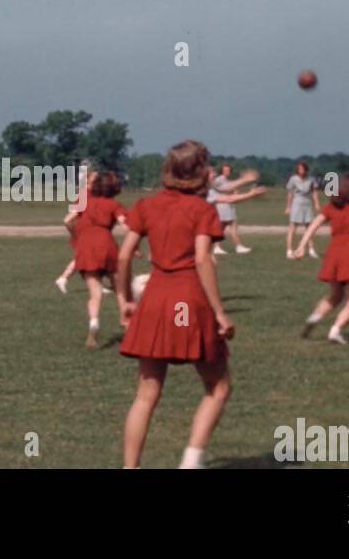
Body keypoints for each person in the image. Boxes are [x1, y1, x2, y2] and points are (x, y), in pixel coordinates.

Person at [116, 140, 234, 469]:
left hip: (154, 300)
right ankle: (191, 461)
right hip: (187, 304)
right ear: (201, 172)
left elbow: (124, 256)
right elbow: (202, 259)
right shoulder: (202, 210)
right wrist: (221, 312)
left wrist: (125, 300)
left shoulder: (146, 205)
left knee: (146, 393)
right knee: (217, 386)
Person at [295, 173, 349, 344]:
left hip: (334, 252)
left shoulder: (331, 207)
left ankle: (315, 317)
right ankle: (336, 330)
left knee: (334, 295)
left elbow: (314, 225)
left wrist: (301, 246)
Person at [69, 171, 127, 349]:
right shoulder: (114, 204)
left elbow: (68, 219)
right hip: (107, 245)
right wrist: (135, 246)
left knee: (95, 294)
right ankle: (127, 324)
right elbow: (125, 224)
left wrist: (76, 236)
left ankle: (94, 323)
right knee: (120, 290)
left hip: (87, 247)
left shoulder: (85, 202)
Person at [206, 164, 264, 254]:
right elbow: (227, 193)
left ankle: (220, 246)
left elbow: (227, 191)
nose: (214, 175)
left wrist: (246, 183)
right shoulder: (213, 185)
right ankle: (235, 246)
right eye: (211, 173)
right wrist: (249, 191)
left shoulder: (210, 189)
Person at [284, 162, 320, 259]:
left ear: (306, 170)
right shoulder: (293, 179)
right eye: (299, 169)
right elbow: (290, 193)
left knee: (309, 227)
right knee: (293, 227)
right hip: (297, 203)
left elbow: (314, 192)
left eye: (303, 169)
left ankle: (311, 250)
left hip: (307, 203)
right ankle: (289, 250)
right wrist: (288, 207)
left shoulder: (311, 179)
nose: (301, 171)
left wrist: (316, 204)